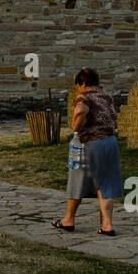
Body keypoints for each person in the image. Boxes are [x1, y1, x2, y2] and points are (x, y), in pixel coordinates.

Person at [52, 68, 122, 235]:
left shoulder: (84, 97)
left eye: (78, 85)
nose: (78, 89)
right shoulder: (107, 97)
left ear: (82, 83)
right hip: (110, 141)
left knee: (77, 180)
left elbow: (80, 110)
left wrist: (76, 126)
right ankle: (108, 224)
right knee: (105, 183)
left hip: (90, 143)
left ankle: (68, 219)